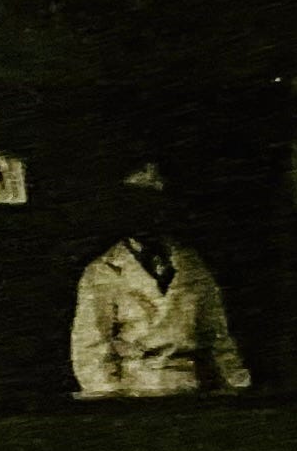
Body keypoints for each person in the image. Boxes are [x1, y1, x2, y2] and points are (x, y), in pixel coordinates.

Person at [69, 163, 251, 396]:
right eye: (139, 205)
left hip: (193, 390)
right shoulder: (102, 272)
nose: (149, 215)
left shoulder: (191, 264)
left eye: (155, 205)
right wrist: (111, 401)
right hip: (134, 392)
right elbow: (90, 349)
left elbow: (217, 337)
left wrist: (238, 386)